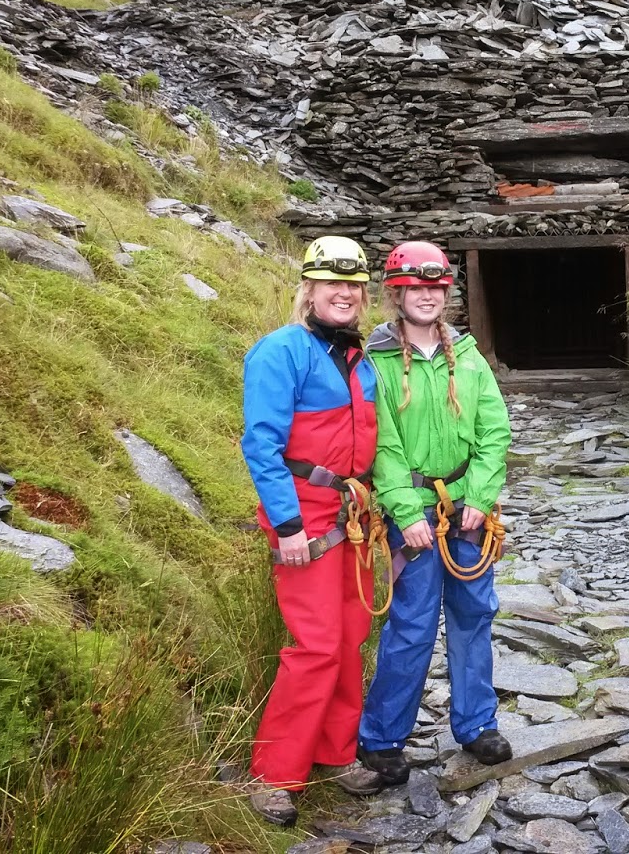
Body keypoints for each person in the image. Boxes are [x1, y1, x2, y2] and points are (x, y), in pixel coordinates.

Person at [356, 242, 515, 785]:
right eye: (415, 288)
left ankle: (477, 724)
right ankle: (382, 738)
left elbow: (494, 431)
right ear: (397, 294)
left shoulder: (468, 358)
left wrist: (478, 495)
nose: (426, 296)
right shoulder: (374, 364)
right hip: (415, 515)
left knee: (475, 615)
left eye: (435, 287)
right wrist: (405, 509)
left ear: (447, 291)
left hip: (468, 513)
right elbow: (381, 446)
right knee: (412, 623)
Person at [240, 235, 386, 823]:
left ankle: (334, 751)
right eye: (333, 284)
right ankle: (274, 773)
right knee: (318, 643)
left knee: (350, 638)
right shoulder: (281, 352)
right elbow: (262, 444)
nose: (344, 294)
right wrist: (288, 524)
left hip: (352, 517)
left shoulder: (357, 358)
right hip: (305, 520)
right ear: (309, 289)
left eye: (353, 285)